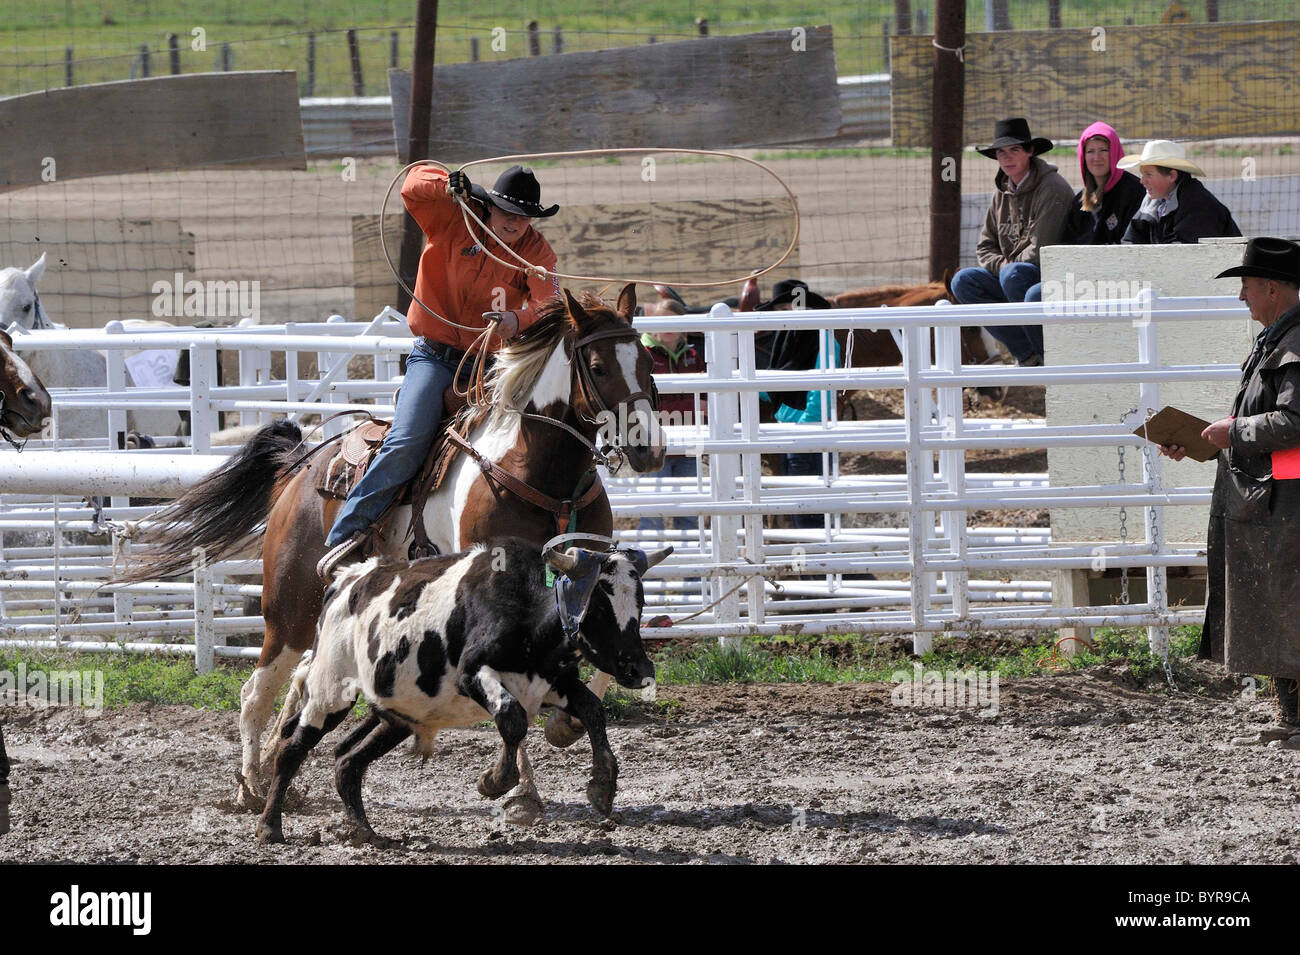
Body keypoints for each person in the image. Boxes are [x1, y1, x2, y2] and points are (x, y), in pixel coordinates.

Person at [317, 165, 562, 577]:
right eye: (507, 212)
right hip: (433, 357)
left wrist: (516, 322)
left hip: (494, 364)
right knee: (407, 441)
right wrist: (447, 181)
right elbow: (413, 189)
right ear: (491, 206)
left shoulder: (536, 253)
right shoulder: (455, 217)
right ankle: (348, 534)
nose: (516, 223)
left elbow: (548, 305)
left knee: (531, 437)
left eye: (523, 216)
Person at [1159, 238, 1300, 744]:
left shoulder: (1293, 344)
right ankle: (1292, 720)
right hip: (1273, 498)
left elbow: (1294, 421)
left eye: (1245, 285)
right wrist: (1207, 444)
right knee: (1280, 603)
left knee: (1287, 602)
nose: (1241, 296)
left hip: (1286, 503)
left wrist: (1231, 433)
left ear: (1270, 287)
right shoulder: (1278, 342)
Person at [950, 117, 1075, 368]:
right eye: (1001, 152)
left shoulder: (1052, 187)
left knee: (1015, 275)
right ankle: (1026, 354)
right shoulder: (1001, 191)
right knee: (962, 282)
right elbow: (985, 246)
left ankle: (1048, 355)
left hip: (1050, 277)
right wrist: (1003, 265)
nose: (1006, 157)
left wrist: (1006, 266)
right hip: (1010, 274)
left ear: (1030, 151)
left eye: (1014, 150)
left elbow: (1041, 250)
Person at [756, 279, 840, 530]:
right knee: (801, 501)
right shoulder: (790, 341)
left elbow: (819, 391)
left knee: (807, 502)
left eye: (792, 308)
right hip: (790, 429)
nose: (787, 315)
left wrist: (804, 430)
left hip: (806, 432)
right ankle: (816, 560)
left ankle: (817, 560)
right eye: (780, 310)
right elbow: (778, 389)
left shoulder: (820, 339)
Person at [638, 298, 707, 535]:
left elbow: (705, 393)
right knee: (652, 513)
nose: (667, 327)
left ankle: (692, 572)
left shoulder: (693, 356)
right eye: (662, 320)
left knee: (688, 511)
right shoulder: (643, 355)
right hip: (654, 441)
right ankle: (651, 573)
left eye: (673, 321)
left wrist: (704, 406)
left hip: (688, 441)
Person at [1118, 139, 1241, 245]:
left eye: (1148, 175)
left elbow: (1182, 256)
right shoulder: (1151, 200)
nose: (1142, 181)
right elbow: (1130, 242)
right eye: (1142, 174)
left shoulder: (1198, 206)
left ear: (1172, 176)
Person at [1063, 122, 1145, 246]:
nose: (1097, 157)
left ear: (1115, 153)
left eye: (1104, 150)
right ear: (1083, 157)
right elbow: (1066, 245)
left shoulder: (1135, 192)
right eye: (1090, 151)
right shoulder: (1079, 202)